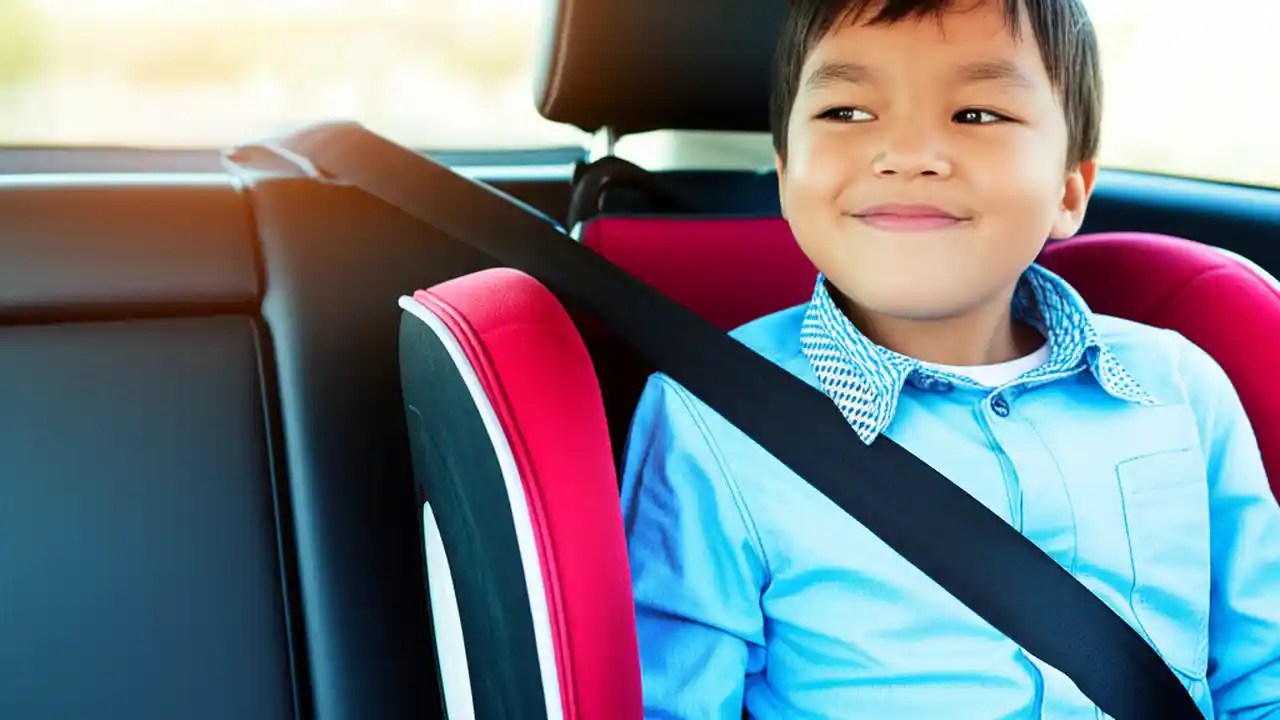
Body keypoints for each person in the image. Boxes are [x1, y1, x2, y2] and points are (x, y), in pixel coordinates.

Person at [619, 1, 1280, 717]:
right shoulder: (713, 417)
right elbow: (674, 701)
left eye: (976, 115)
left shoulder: (1177, 388)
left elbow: (1262, 673)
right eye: (846, 111)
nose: (907, 153)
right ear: (784, 173)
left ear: (1069, 188)